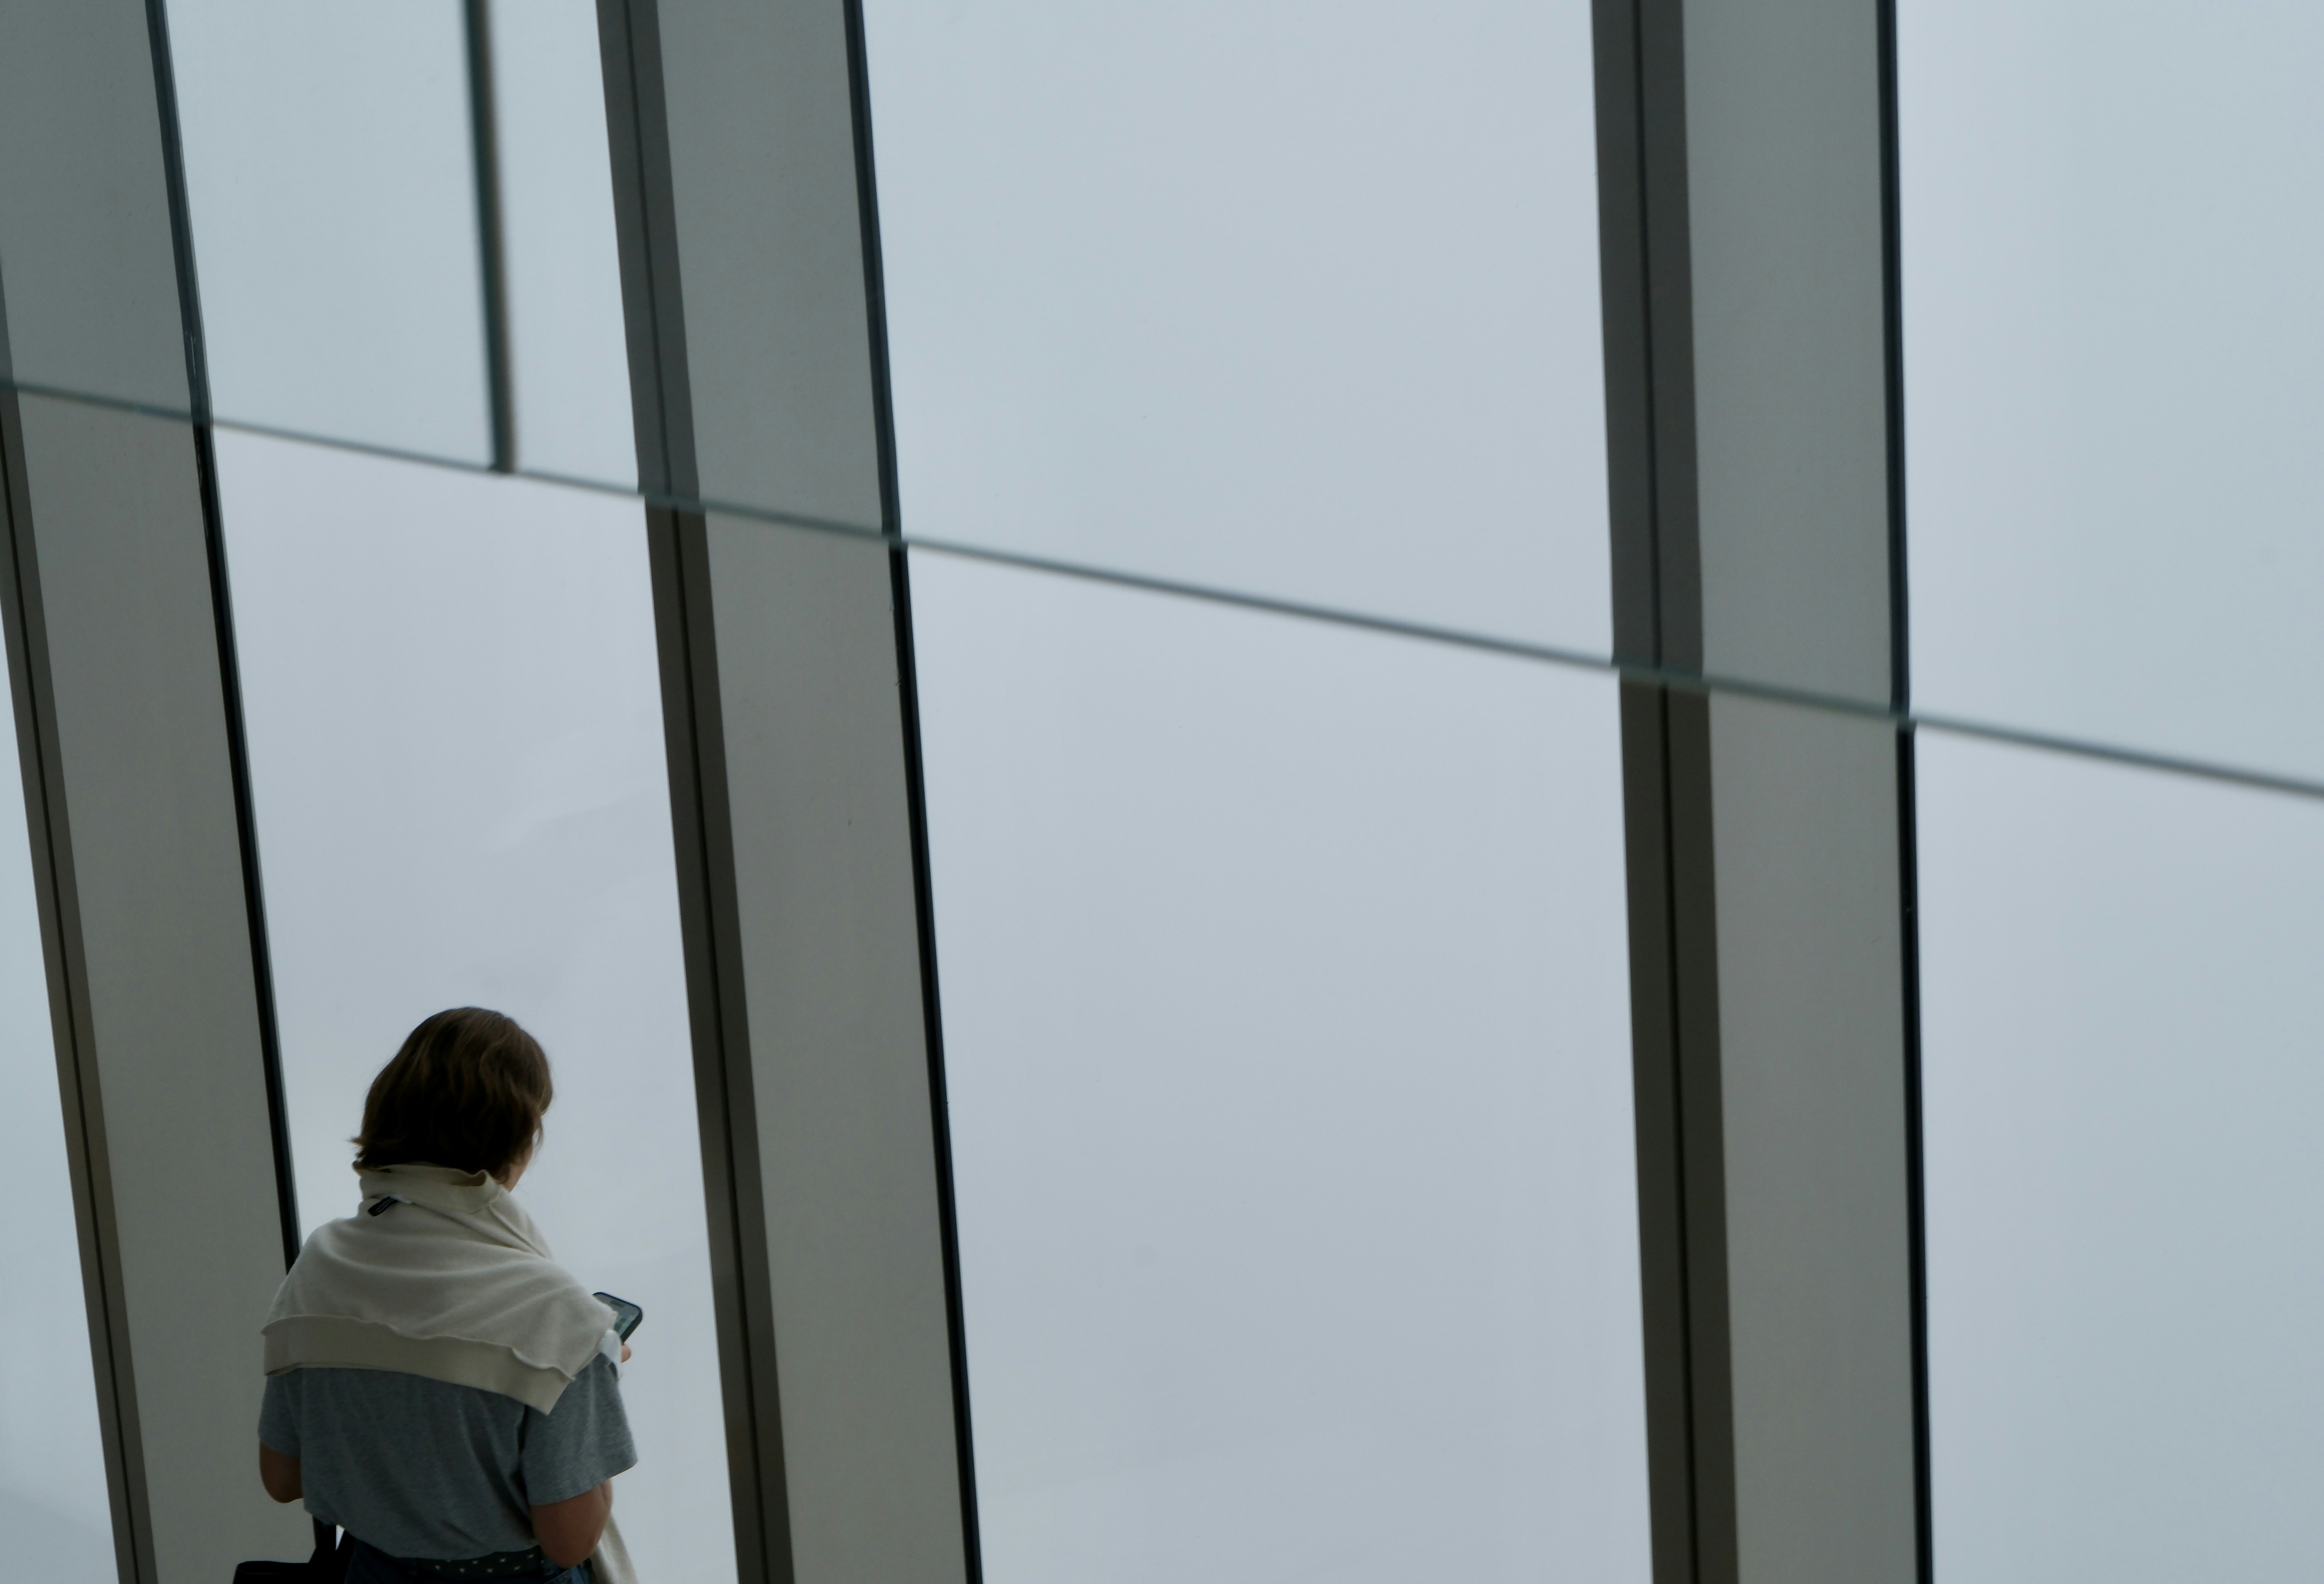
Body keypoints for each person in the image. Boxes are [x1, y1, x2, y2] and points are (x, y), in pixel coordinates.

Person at [256, 1008, 637, 1583]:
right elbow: (570, 1540)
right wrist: (594, 1374)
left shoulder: (321, 1265)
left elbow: (282, 1478)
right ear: (518, 1136)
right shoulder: (559, 1318)